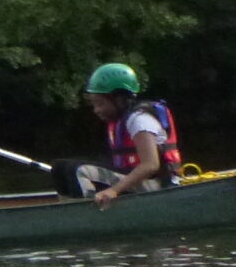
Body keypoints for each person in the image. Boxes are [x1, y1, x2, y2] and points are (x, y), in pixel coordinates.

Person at [61, 63, 183, 206]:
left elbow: (150, 165)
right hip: (137, 182)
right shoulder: (121, 121)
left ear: (119, 100)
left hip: (159, 185)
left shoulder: (139, 119)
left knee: (79, 171)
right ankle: (68, 213)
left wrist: (113, 191)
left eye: (100, 104)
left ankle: (89, 215)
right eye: (94, 105)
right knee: (61, 167)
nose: (96, 110)